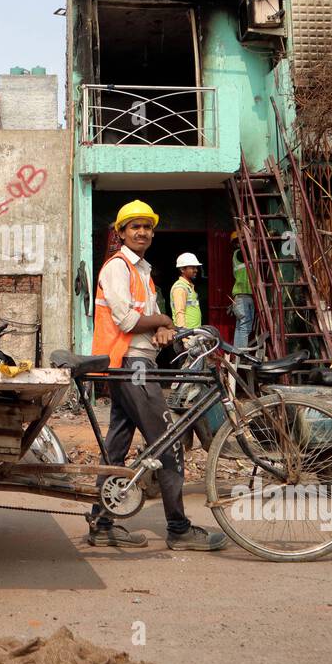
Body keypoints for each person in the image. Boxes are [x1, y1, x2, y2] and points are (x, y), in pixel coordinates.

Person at [87, 199, 228, 552]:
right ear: (120, 233)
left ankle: (102, 524)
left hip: (132, 364)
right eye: (134, 226)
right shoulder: (117, 267)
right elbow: (129, 321)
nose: (142, 232)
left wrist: (163, 329)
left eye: (147, 227)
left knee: (115, 448)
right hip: (130, 365)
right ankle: (178, 528)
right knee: (168, 443)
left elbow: (147, 322)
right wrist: (162, 322)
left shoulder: (143, 273)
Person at [230, 231, 254, 351]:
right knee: (245, 327)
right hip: (243, 296)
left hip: (242, 297)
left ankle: (237, 352)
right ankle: (241, 353)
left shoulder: (241, 254)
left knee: (241, 327)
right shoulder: (240, 253)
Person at [170, 252, 203, 333]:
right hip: (187, 334)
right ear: (182, 269)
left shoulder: (188, 286)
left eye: (196, 267)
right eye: (192, 268)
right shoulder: (180, 288)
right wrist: (184, 336)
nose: (196, 270)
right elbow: (179, 313)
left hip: (193, 332)